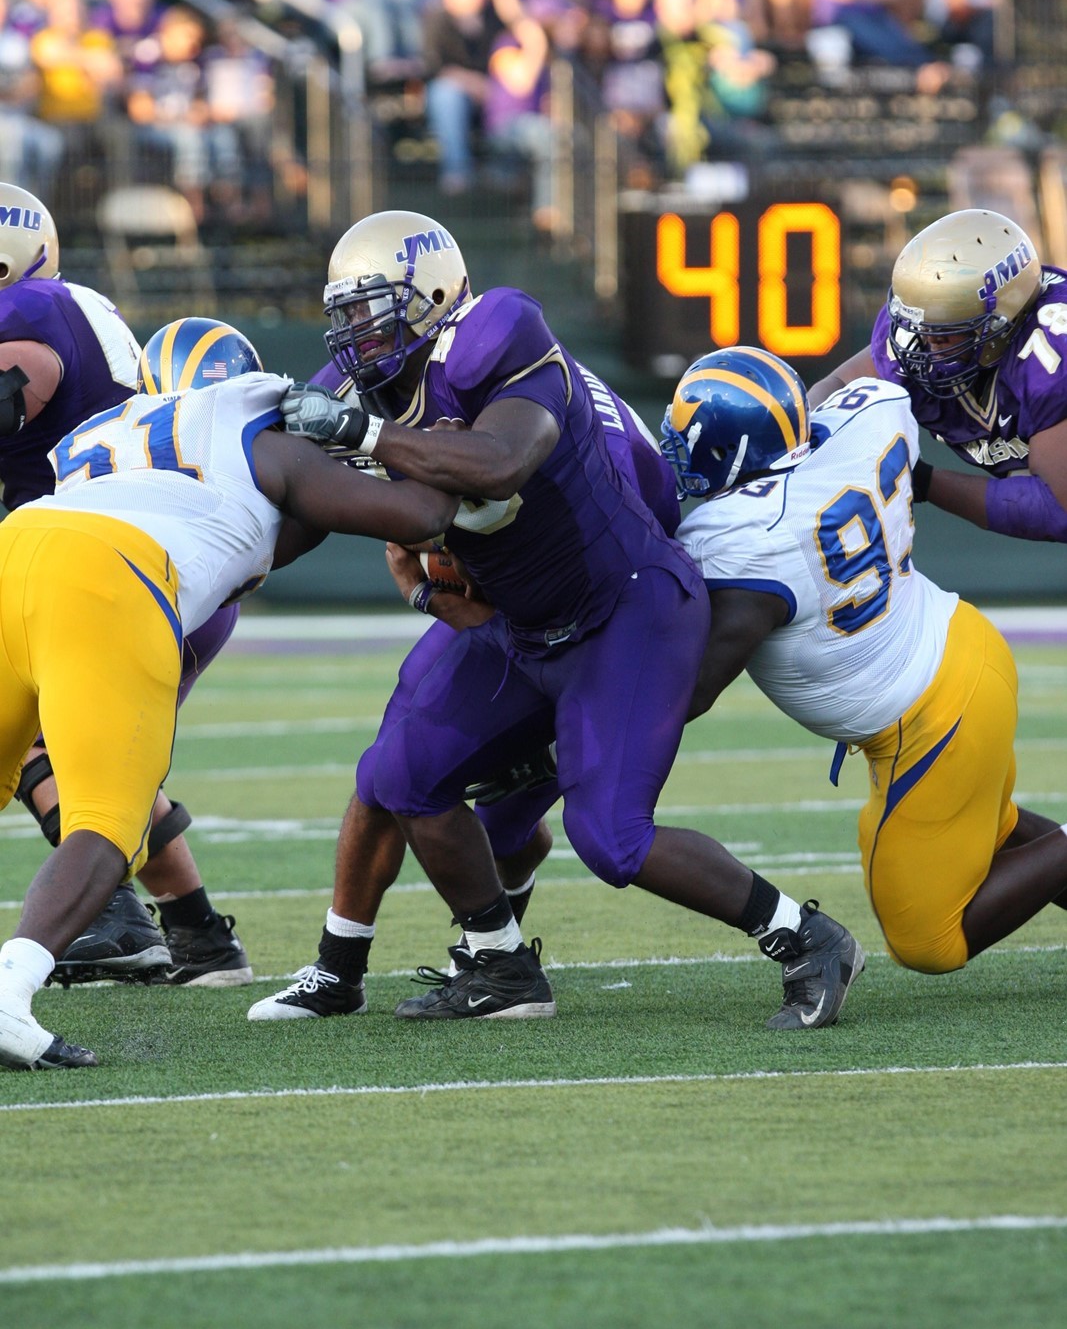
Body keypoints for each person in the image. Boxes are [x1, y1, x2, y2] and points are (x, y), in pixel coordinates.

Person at [275, 208, 863, 1030]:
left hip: (624, 609)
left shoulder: (497, 335)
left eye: (374, 311)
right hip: (520, 625)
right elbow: (303, 502)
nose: (358, 335)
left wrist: (363, 435)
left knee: (611, 838)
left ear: (432, 296)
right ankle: (500, 965)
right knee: (401, 775)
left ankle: (806, 937)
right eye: (347, 316)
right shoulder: (354, 391)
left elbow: (498, 462)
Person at [0, 316, 459, 1070]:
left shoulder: (116, 426)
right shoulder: (263, 437)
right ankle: (8, 994)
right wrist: (394, 446)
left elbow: (265, 537)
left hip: (18, 543)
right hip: (109, 575)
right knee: (108, 826)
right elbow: (424, 516)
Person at [248, 354, 681, 1022]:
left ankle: (495, 961)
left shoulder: (533, 401)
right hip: (519, 607)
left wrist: (438, 586)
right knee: (391, 768)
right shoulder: (403, 377)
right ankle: (344, 967)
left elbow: (568, 577)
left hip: (596, 619)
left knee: (515, 818)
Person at [659, 346, 1067, 977]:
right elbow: (871, 373)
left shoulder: (739, 538)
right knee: (987, 825)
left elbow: (689, 690)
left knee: (928, 941)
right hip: (963, 643)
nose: (681, 452)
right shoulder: (873, 412)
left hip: (932, 718)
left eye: (693, 440)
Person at [0, 185, 247, 987]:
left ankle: (116, 917)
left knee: (60, 746)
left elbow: (14, 389)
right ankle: (194, 936)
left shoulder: (29, 311)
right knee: (97, 755)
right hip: (131, 566)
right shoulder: (65, 305)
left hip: (114, 570)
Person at [807, 209, 1067, 548]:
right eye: (921, 328)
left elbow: (1055, 509)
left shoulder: (1049, 357)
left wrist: (922, 480)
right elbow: (839, 385)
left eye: (944, 332)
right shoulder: (920, 330)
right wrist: (802, 430)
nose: (927, 344)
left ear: (1003, 321)